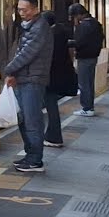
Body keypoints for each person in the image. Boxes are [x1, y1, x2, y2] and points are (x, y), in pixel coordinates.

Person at [3, 0, 53, 173]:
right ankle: (30, 155)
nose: (21, 13)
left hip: (33, 80)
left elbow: (27, 53)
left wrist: (8, 70)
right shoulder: (30, 26)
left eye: (25, 10)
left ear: (35, 9)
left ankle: (35, 160)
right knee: (25, 119)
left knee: (32, 120)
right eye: (19, 9)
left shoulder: (39, 28)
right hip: (25, 78)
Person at [42, 11, 76, 148]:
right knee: (51, 106)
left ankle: (54, 137)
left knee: (51, 106)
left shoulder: (51, 36)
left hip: (52, 76)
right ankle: (52, 135)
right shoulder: (61, 32)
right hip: (60, 75)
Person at [69, 3, 104, 116]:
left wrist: (68, 43)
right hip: (93, 56)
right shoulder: (96, 23)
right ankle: (89, 106)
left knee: (84, 83)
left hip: (84, 57)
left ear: (79, 15)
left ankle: (87, 108)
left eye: (74, 16)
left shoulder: (83, 26)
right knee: (89, 82)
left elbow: (78, 42)